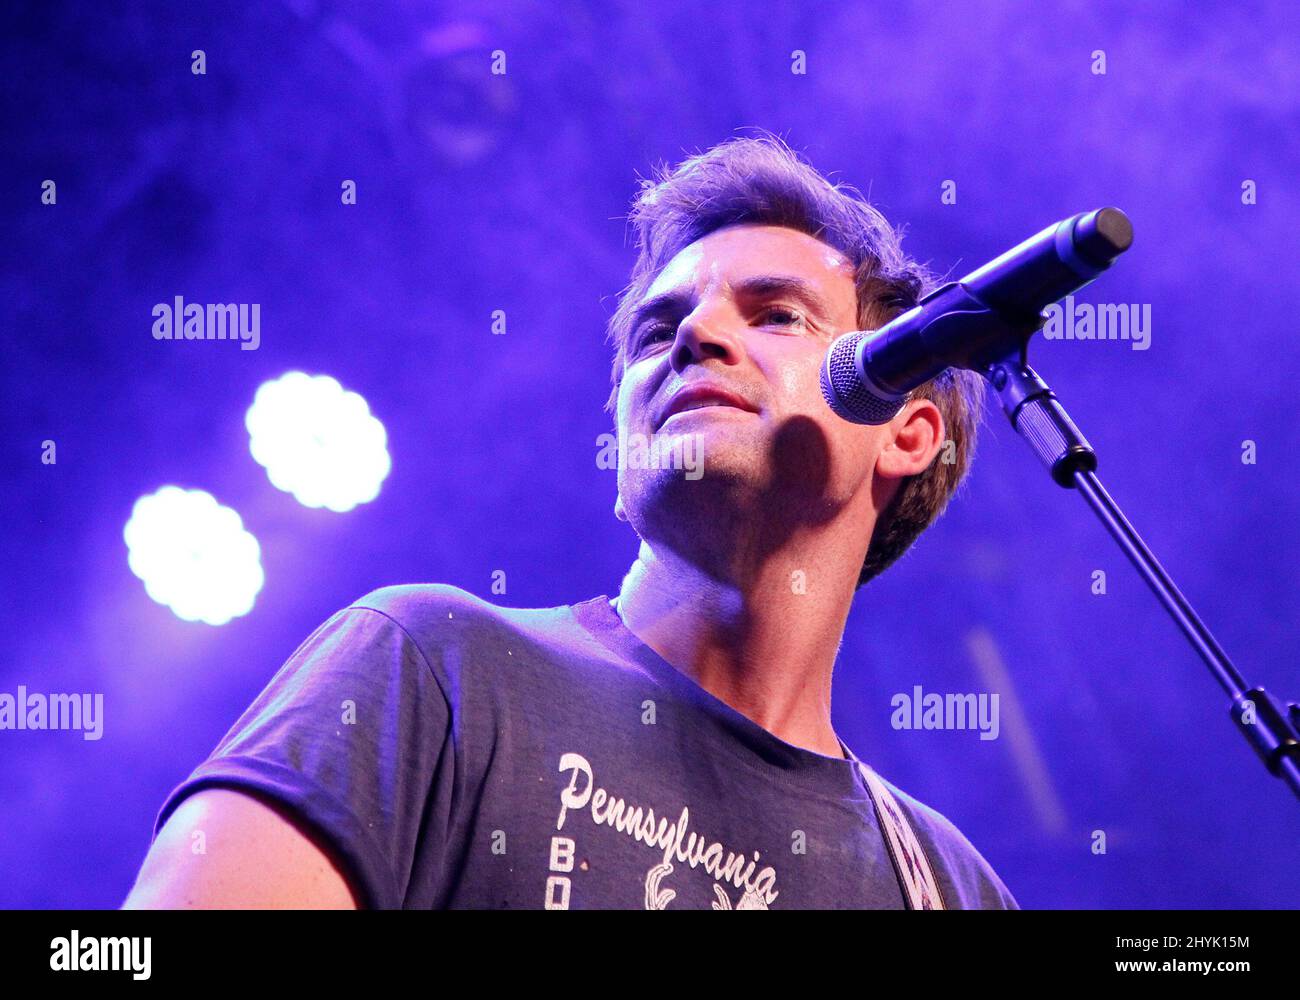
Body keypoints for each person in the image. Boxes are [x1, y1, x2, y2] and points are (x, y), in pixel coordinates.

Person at [123, 132, 1015, 910]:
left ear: (905, 432)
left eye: (775, 314)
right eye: (655, 330)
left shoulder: (948, 887)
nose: (696, 335)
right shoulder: (431, 665)